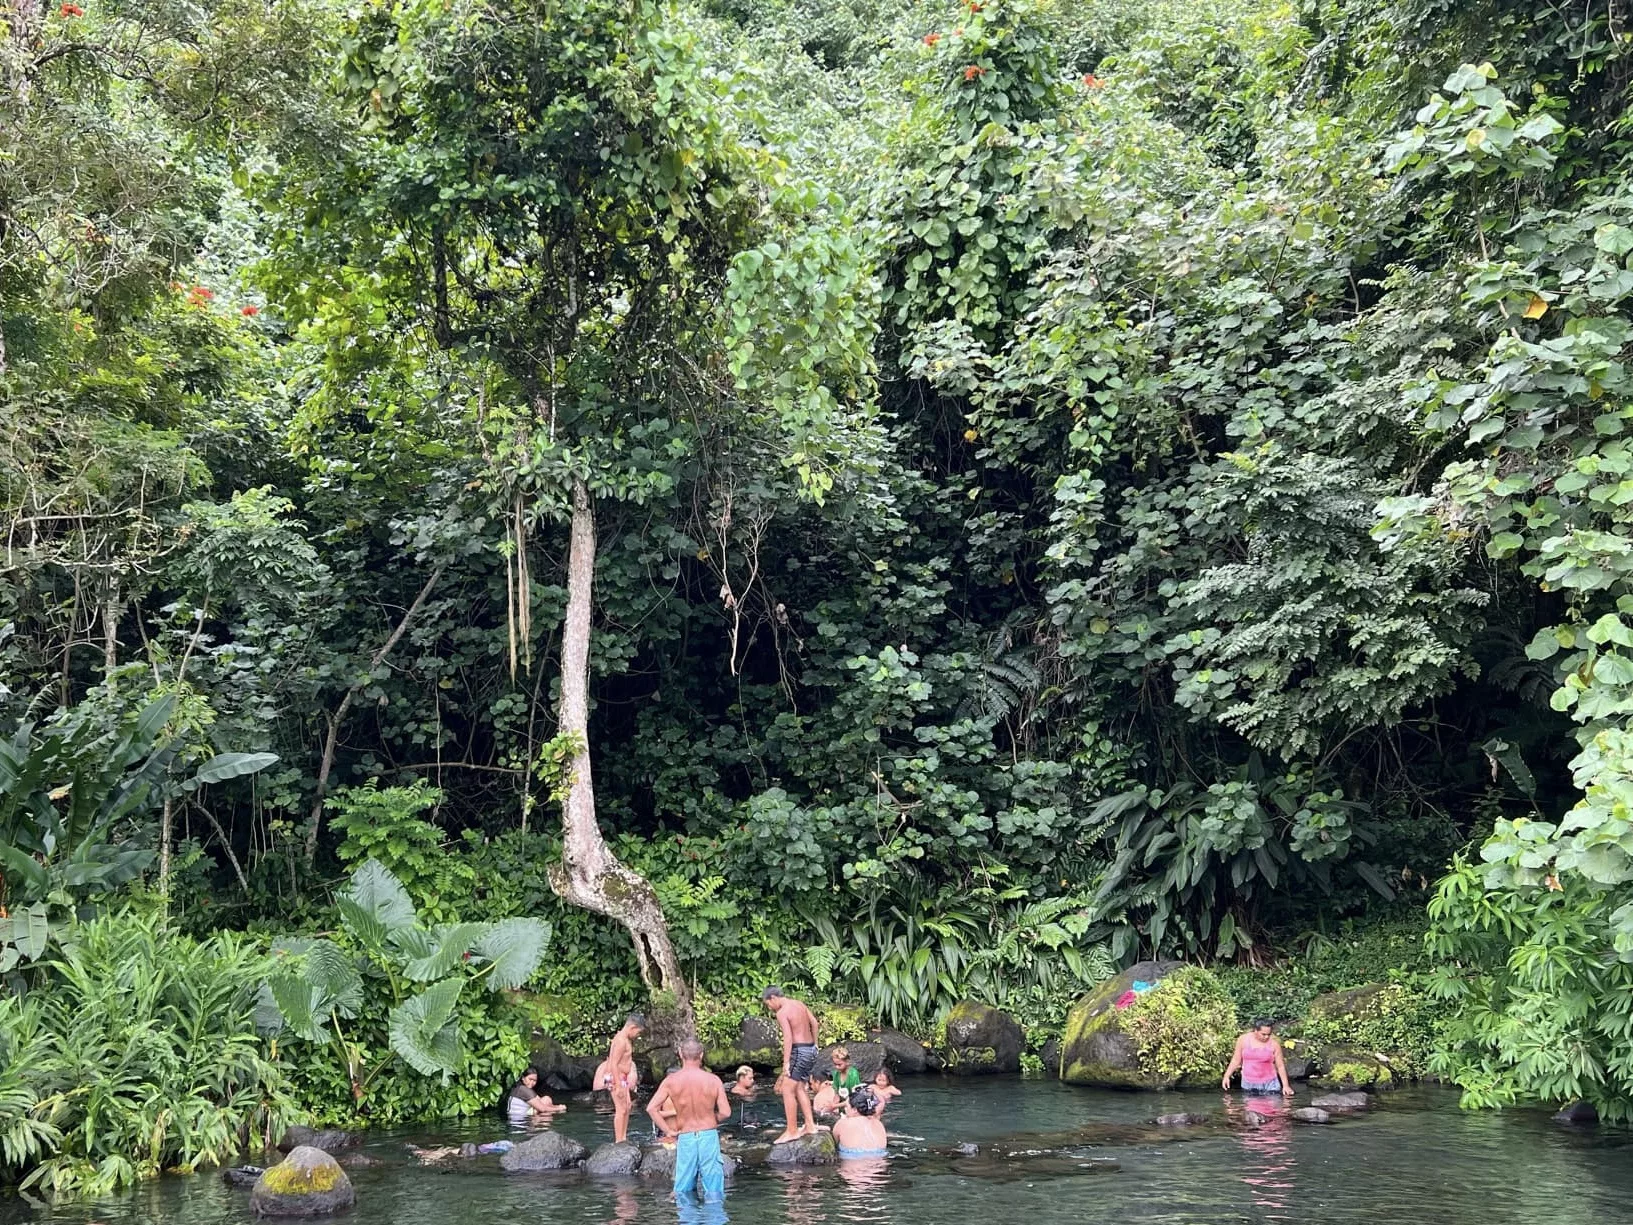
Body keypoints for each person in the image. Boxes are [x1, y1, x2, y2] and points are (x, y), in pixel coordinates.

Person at [647, 1039, 732, 1205]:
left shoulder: (671, 1081)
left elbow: (651, 1109)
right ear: (701, 1055)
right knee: (714, 1190)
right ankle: (715, 1216)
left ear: (680, 1054)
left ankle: (688, 1216)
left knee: (683, 1190)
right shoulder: (713, 1080)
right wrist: (711, 1120)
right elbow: (725, 1112)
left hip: (686, 1137)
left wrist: (668, 1131)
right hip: (708, 1135)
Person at [762, 986, 820, 1143]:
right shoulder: (799, 1004)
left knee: (787, 1089)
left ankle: (792, 1130)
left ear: (773, 998)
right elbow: (814, 1023)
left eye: (768, 1004)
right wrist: (815, 1044)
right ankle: (810, 1125)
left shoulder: (782, 1012)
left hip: (799, 1051)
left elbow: (788, 1038)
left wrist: (786, 1063)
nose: (770, 1008)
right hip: (810, 1049)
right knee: (799, 1087)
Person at [602, 1013, 647, 1142]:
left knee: (627, 1106)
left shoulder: (623, 1038)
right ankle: (619, 1139)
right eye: (638, 1032)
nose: (638, 1035)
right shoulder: (621, 1041)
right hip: (616, 1076)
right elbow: (614, 1063)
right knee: (621, 1108)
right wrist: (618, 1086)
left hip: (622, 1077)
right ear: (632, 1027)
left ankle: (623, 1137)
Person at [1222, 1018, 1295, 1096]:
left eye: (1269, 1034)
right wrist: (1227, 1076)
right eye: (1263, 1034)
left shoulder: (1274, 1045)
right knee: (1251, 1103)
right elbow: (1236, 1060)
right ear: (1255, 1031)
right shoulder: (1243, 1040)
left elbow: (1280, 1066)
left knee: (1272, 1103)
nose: (1266, 1037)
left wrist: (1286, 1086)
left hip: (1270, 1083)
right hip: (1248, 1083)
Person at [832, 1086, 888, 1159]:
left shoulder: (843, 1123)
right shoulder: (879, 1123)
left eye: (847, 1106)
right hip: (879, 1161)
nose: (845, 1109)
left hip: (854, 1161)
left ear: (855, 1109)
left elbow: (835, 1143)